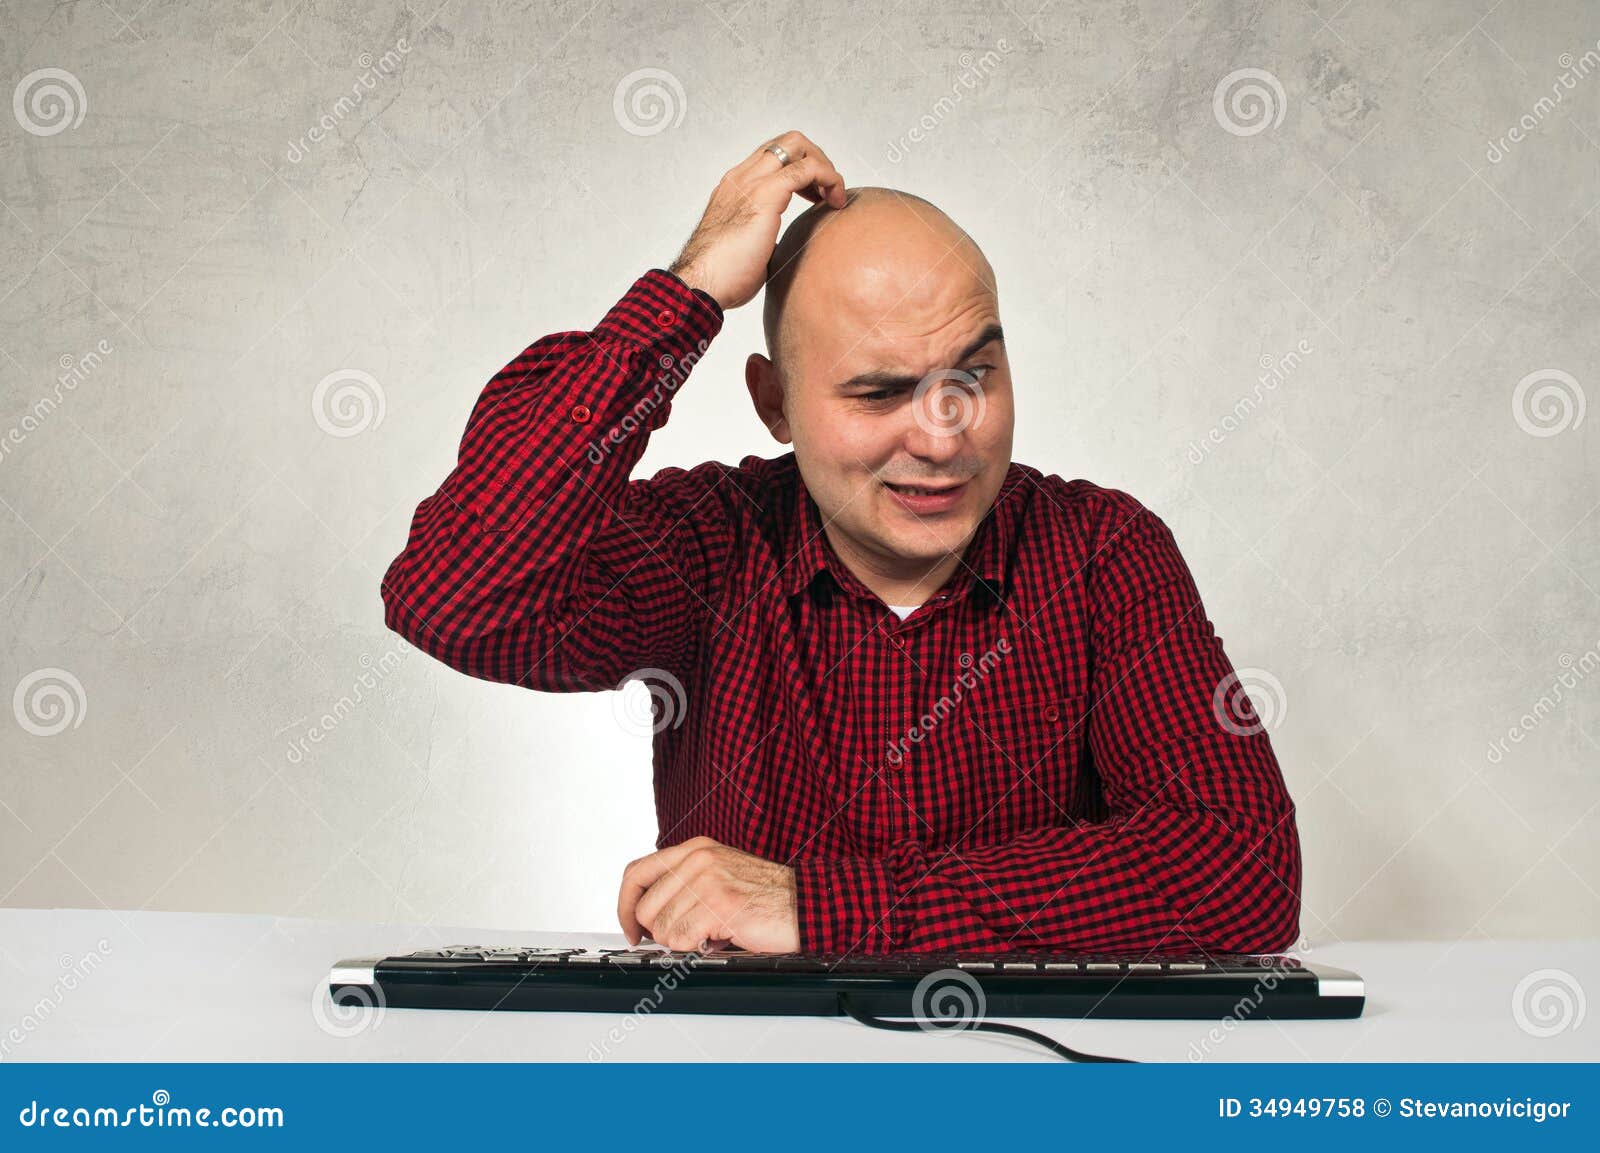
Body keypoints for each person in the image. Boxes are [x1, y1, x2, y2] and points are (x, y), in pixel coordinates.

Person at [380, 131, 1302, 956]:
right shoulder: (709, 545)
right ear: (773, 402)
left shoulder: (1103, 553)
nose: (943, 436)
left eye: (974, 374)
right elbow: (458, 596)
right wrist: (687, 293)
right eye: (878, 393)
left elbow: (1241, 867)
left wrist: (814, 906)